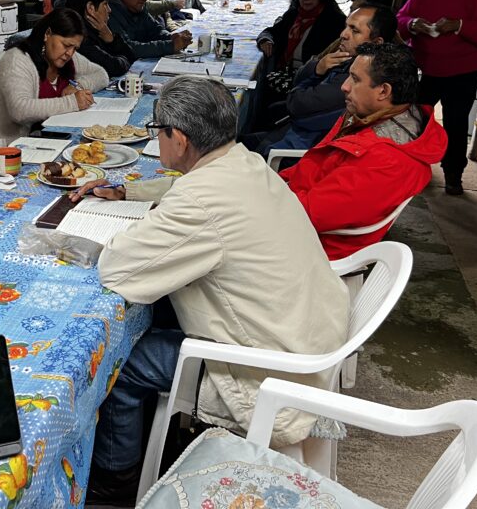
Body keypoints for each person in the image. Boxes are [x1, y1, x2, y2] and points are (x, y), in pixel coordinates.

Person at [74, 76, 349, 505]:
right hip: (305, 335)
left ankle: (115, 483)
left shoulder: (202, 201)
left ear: (178, 139)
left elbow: (119, 267)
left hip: (266, 367)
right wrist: (129, 191)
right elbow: (185, 190)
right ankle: (145, 444)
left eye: (157, 131)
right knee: (157, 313)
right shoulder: (244, 162)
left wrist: (131, 227)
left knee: (120, 362)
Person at [281, 43, 448, 260]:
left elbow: (309, 214)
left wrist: (264, 196)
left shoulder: (386, 160)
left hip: (311, 247)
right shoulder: (368, 115)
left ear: (383, 91)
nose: (345, 86)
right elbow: (314, 169)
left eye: (356, 79)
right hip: (294, 207)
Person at [396, 0, 477, 195]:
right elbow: (400, 19)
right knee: (417, 117)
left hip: (462, 71)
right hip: (426, 67)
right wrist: (413, 24)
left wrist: (459, 25)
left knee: (455, 121)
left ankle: (453, 174)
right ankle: (411, 165)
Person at [242, 2, 398, 156]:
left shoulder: (355, 79)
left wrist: (309, 80)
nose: (343, 34)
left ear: (377, 43)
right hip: (291, 133)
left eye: (354, 30)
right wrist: (317, 68)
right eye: (346, 26)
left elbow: (296, 104)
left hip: (296, 148)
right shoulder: (343, 56)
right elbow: (298, 83)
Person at [0, 7, 109, 158]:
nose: (70, 53)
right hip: (8, 149)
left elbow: (101, 74)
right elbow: (20, 110)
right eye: (66, 45)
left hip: (46, 140)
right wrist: (72, 102)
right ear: (47, 34)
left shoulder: (66, 58)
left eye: (75, 48)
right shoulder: (18, 60)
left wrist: (78, 86)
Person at [247, 0, 348, 132]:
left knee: (262, 92)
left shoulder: (334, 22)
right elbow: (273, 31)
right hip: (289, 72)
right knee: (257, 87)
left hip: (310, 78)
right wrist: (266, 40)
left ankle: (262, 130)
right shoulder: (295, 14)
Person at [107, 0, 191, 58]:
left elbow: (155, 30)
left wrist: (172, 37)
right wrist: (170, 46)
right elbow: (128, 48)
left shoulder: (137, 7)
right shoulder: (109, 11)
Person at [64, 0, 138, 78]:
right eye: (105, 4)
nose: (109, 10)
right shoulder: (78, 36)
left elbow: (132, 57)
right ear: (91, 8)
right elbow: (113, 67)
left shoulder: (99, 29)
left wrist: (112, 40)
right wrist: (122, 58)